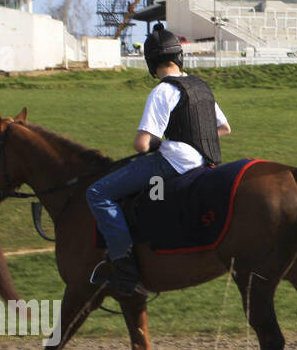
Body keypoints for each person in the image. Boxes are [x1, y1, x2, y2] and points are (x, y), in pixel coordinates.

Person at [85, 24, 231, 296]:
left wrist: (166, 144)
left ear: (151, 63)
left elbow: (141, 144)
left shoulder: (162, 91)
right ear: (179, 57)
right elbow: (224, 128)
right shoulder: (201, 86)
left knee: (98, 193)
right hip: (208, 163)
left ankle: (124, 269)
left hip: (172, 165)